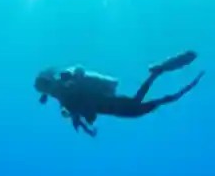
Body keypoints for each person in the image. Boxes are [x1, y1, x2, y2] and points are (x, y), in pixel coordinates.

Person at [34, 51, 203, 136]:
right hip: (113, 108)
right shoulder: (62, 97)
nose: (48, 92)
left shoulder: (65, 83)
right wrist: (86, 129)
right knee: (139, 103)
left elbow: (78, 75)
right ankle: (161, 76)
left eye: (45, 87)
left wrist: (84, 126)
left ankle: (159, 74)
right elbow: (75, 114)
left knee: (139, 102)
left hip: (111, 105)